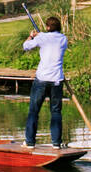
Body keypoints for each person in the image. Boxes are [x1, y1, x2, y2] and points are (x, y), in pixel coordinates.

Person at [23, 16, 68, 148]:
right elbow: (51, 40)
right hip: (57, 80)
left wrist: (32, 36)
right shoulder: (63, 39)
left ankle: (30, 142)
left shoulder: (41, 37)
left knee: (34, 111)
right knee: (56, 112)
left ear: (48, 27)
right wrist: (41, 36)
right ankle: (56, 143)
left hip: (42, 79)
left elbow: (26, 47)